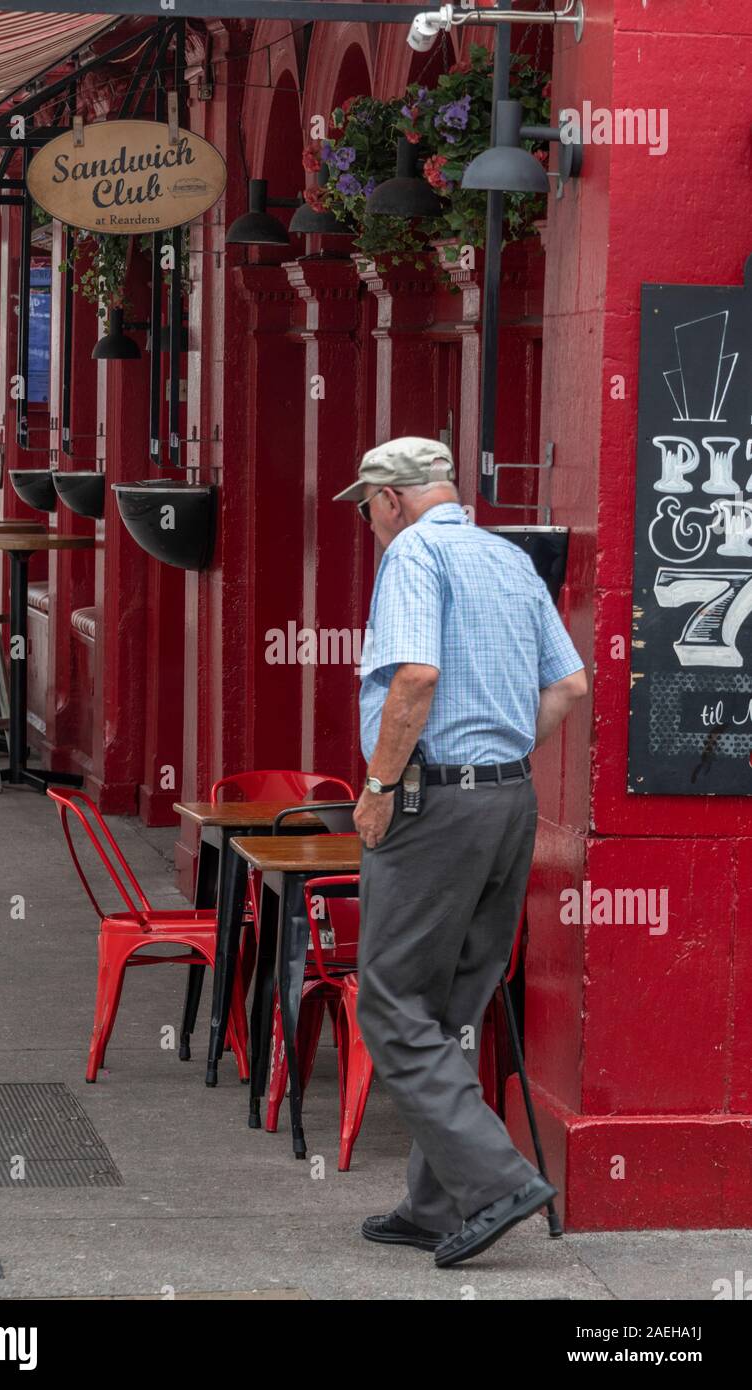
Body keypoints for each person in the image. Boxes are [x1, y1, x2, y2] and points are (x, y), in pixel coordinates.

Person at [333, 436, 586, 1267]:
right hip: (509, 802)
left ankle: (494, 1182)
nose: (369, 523)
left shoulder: (414, 554)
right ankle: (434, 1204)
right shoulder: (509, 558)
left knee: (392, 1007)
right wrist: (501, 761)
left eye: (368, 506)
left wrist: (377, 788)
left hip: (431, 803)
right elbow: (569, 686)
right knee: (452, 1006)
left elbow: (414, 678)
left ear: (394, 499)